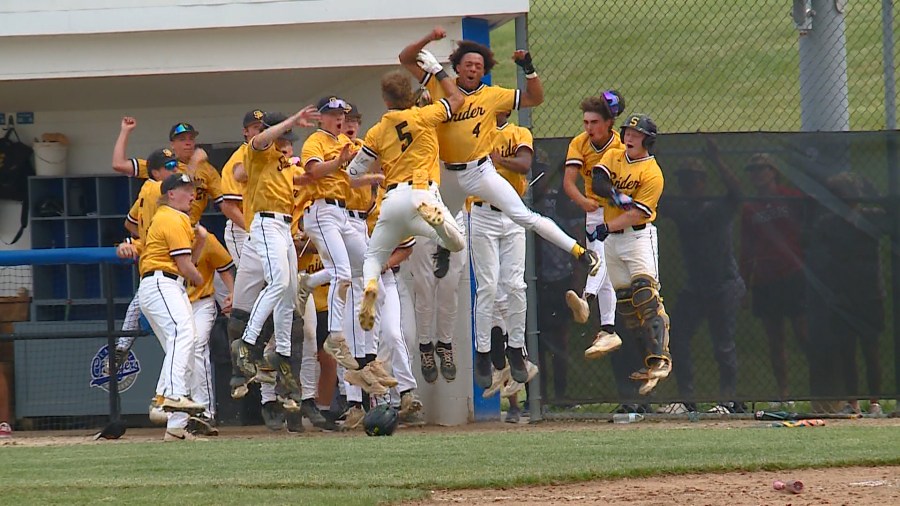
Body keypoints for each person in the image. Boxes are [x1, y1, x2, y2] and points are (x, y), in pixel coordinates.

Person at [399, 28, 602, 385]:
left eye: (478, 65)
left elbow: (535, 98)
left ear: (484, 70)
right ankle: (456, 340)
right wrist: (428, 40)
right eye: (467, 64)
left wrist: (530, 68)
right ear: (457, 68)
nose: (473, 69)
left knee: (521, 223)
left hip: (479, 171)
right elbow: (405, 58)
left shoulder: (492, 96)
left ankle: (577, 253)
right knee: (429, 231)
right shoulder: (438, 85)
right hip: (446, 173)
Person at [346, 68, 465, 337]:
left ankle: (371, 285)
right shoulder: (424, 115)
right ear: (409, 95)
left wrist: (372, 174)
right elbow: (457, 100)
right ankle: (440, 225)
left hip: (393, 199)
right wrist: (438, 71)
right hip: (423, 194)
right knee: (456, 242)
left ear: (386, 100)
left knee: (373, 258)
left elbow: (353, 175)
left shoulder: (377, 130)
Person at [230, 108, 320, 402]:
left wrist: (342, 164)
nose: (286, 144)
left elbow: (305, 179)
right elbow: (259, 143)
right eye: (283, 138)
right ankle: (247, 342)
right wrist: (291, 121)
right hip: (265, 222)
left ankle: (281, 353)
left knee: (289, 291)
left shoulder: (282, 161)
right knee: (279, 283)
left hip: (283, 226)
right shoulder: (257, 150)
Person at [589, 113, 670, 396]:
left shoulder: (652, 173)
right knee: (627, 306)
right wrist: (618, 199)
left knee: (645, 295)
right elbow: (598, 182)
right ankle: (649, 361)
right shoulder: (614, 156)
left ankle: (662, 359)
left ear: (648, 140)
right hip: (612, 240)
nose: (629, 138)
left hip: (637, 236)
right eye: (627, 133)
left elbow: (637, 213)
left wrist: (608, 223)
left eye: (636, 135)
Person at [662, 139, 745, 414]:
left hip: (724, 283)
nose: (688, 184)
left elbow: (737, 193)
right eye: (684, 180)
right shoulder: (682, 209)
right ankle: (687, 399)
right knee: (678, 336)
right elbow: (653, 199)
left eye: (693, 179)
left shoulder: (717, 207)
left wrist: (717, 159)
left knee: (723, 343)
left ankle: (727, 400)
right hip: (696, 286)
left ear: (703, 181)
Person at [467, 110, 537, 386]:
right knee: (488, 288)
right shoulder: (476, 131)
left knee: (515, 285)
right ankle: (482, 354)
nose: (503, 105)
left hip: (512, 212)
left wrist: (500, 161)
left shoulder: (519, 132)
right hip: (483, 213)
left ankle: (516, 349)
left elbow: (524, 163)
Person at [808, 172, 886, 415]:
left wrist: (869, 188)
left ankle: (874, 403)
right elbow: (815, 248)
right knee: (847, 351)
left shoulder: (873, 218)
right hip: (842, 297)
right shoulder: (827, 223)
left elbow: (892, 210)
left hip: (870, 295)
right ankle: (852, 403)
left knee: (870, 349)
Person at [137, 172, 207, 441]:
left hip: (167, 285)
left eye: (192, 189)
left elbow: (188, 260)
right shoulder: (171, 216)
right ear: (170, 194)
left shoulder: (179, 219)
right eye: (185, 189)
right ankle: (169, 396)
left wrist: (199, 241)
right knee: (183, 334)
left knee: (182, 350)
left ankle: (176, 426)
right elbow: (187, 268)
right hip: (161, 283)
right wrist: (199, 279)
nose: (191, 194)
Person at [300, 97, 364, 372]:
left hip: (342, 213)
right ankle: (335, 336)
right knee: (343, 273)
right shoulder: (315, 141)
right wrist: (338, 161)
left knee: (364, 264)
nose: (340, 118)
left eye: (343, 113)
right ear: (321, 117)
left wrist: (374, 178)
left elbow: (347, 179)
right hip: (321, 212)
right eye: (334, 113)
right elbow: (313, 172)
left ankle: (310, 281)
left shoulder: (342, 143)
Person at [561, 92, 625, 359]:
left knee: (603, 264)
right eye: (586, 122)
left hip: (615, 212)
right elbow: (568, 183)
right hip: (594, 212)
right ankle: (608, 329)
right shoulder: (580, 143)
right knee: (602, 266)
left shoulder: (619, 146)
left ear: (608, 123)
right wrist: (583, 201)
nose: (589, 128)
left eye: (594, 122)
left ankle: (585, 299)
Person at [740, 153, 807, 403]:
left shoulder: (792, 198)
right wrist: (745, 284)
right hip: (766, 280)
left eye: (761, 169)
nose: (757, 174)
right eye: (753, 170)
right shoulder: (750, 208)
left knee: (803, 333)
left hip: (793, 274)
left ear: (773, 171)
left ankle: (820, 389)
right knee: (775, 340)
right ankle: (784, 394)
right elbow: (746, 249)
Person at [221, 109, 266, 265]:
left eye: (264, 128)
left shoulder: (270, 155)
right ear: (245, 132)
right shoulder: (238, 159)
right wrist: (250, 230)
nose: (261, 131)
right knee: (250, 281)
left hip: (264, 225)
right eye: (256, 128)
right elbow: (228, 207)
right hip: (242, 229)